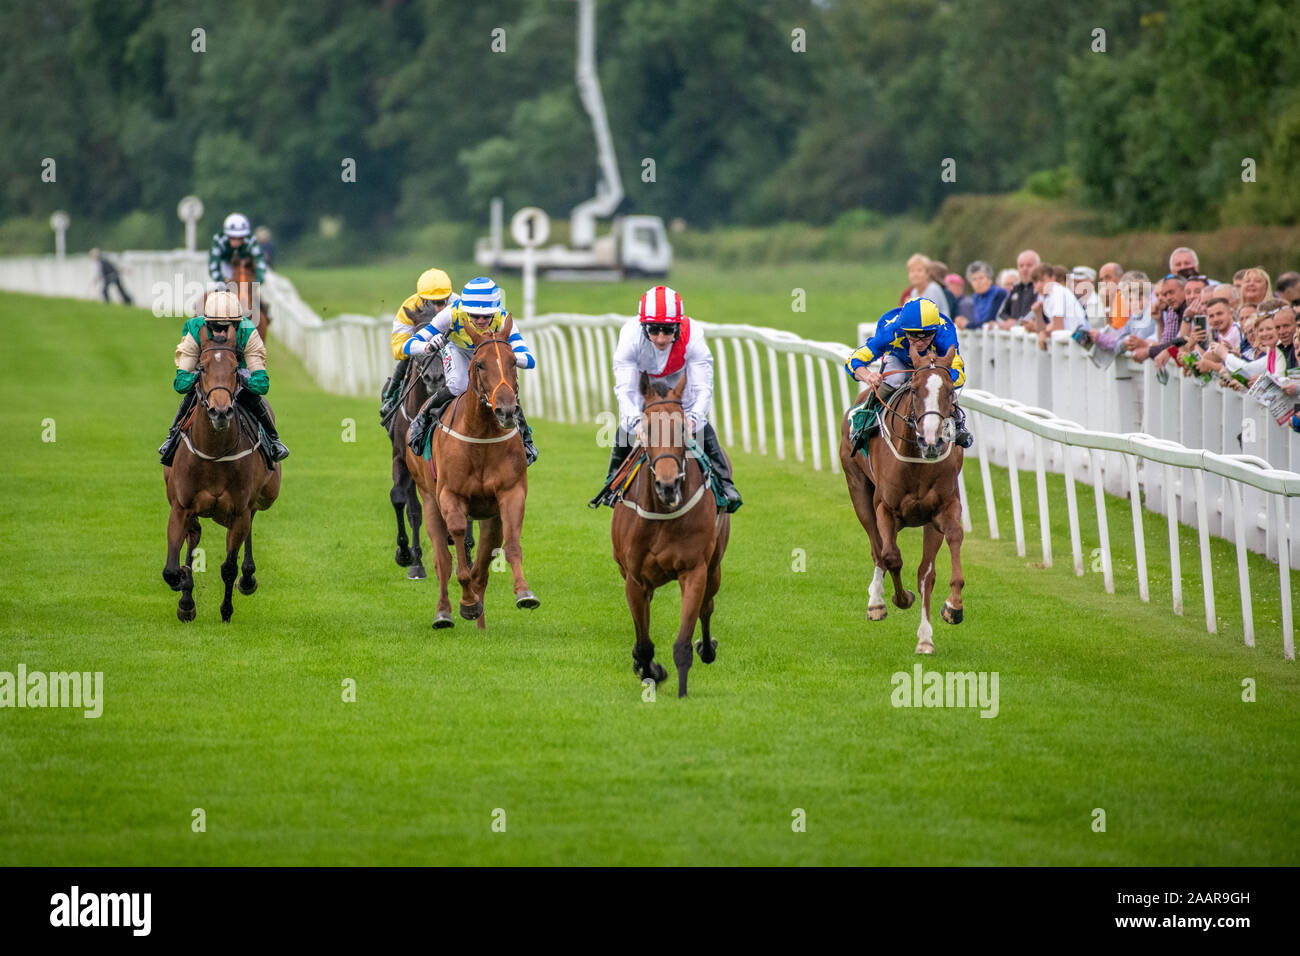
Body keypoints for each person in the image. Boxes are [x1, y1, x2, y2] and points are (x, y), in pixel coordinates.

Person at [590, 285, 741, 512]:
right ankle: (613, 481)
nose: (661, 338)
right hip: (646, 386)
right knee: (627, 427)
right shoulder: (630, 336)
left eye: (668, 330)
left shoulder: (693, 336)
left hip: (681, 385)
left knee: (700, 427)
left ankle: (726, 485)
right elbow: (626, 391)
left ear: (678, 326)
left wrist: (692, 419)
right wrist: (636, 422)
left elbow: (702, 388)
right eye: (653, 329)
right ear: (643, 327)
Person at [404, 277, 538, 464]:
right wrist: (427, 346)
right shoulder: (450, 314)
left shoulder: (502, 318)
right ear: (466, 311)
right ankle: (422, 418)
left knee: (504, 389)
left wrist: (511, 358)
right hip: (458, 350)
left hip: (489, 354)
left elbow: (530, 360)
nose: (481, 320)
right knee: (458, 385)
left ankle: (526, 439)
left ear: (495, 311)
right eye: (475, 316)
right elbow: (408, 345)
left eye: (486, 316)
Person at [158, 289, 288, 467]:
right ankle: (172, 436)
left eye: (229, 326)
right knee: (192, 395)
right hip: (206, 371)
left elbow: (262, 384)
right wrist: (202, 377)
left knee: (253, 397)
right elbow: (180, 383)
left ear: (238, 324)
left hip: (238, 372)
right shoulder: (195, 330)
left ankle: (273, 440)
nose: (222, 333)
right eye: (216, 327)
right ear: (207, 323)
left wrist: (240, 380)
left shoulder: (248, 332)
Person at [844, 297, 971, 454]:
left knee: (940, 387)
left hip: (932, 364)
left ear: (935, 330)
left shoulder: (945, 332)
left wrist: (935, 381)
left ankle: (957, 425)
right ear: (903, 330)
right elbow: (853, 361)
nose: (919, 342)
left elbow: (958, 373)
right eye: (912, 335)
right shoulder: (890, 331)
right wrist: (868, 376)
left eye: (926, 335)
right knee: (894, 379)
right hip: (899, 360)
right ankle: (865, 418)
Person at [379, 267, 457, 423]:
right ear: (421, 297)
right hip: (421, 352)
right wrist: (421, 346)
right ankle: (390, 398)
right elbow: (398, 349)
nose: (437, 308)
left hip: (453, 350)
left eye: (441, 302)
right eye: (432, 302)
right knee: (407, 358)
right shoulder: (409, 307)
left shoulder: (459, 304)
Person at [208, 213, 268, 286]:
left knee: (256, 293)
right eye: (233, 237)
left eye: (240, 238)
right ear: (227, 235)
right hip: (225, 266)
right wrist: (222, 280)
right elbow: (213, 267)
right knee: (223, 289)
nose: (236, 241)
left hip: (246, 267)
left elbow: (260, 263)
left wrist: (257, 281)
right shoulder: (219, 240)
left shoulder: (251, 241)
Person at [995, 249, 1041, 329]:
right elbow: (1000, 314)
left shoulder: (1041, 288)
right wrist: (1008, 322)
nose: (1025, 269)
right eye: (1021, 266)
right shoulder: (1015, 288)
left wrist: (1017, 323)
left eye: (1029, 265)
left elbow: (1037, 310)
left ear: (1038, 267)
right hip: (1014, 337)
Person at [962, 261, 1007, 330]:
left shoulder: (999, 294)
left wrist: (967, 325)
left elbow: (989, 321)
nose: (978, 282)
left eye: (981, 278)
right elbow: (978, 321)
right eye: (974, 279)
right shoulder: (976, 296)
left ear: (989, 279)